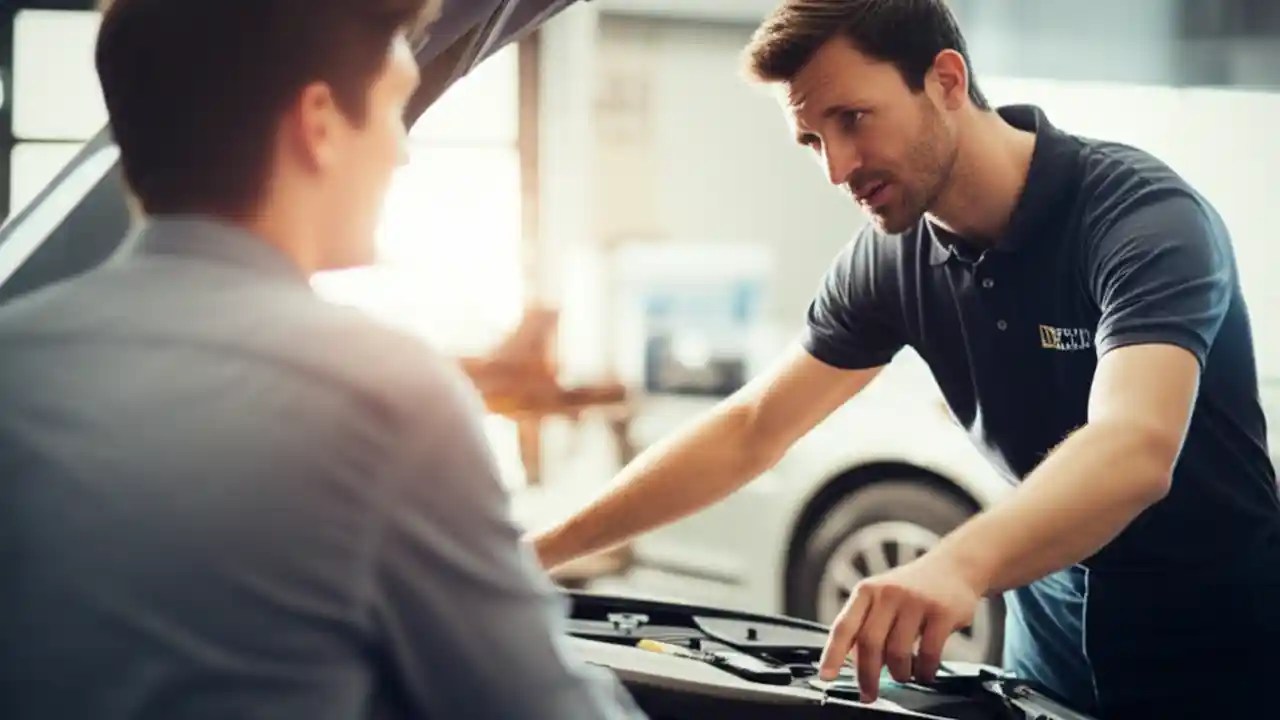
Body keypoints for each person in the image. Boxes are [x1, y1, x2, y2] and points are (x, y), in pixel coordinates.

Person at [530, 0, 1280, 716]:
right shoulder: (891, 260)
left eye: (852, 119)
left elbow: (1135, 446)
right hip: (1048, 657)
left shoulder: (1142, 218)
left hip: (1222, 655)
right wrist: (537, 553)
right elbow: (752, 428)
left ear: (946, 81)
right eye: (813, 140)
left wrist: (954, 564)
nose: (836, 168)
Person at [0, 1, 643, 719]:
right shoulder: (385, 394)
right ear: (320, 123)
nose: (402, 152)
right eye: (394, 108)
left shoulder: (14, 358)